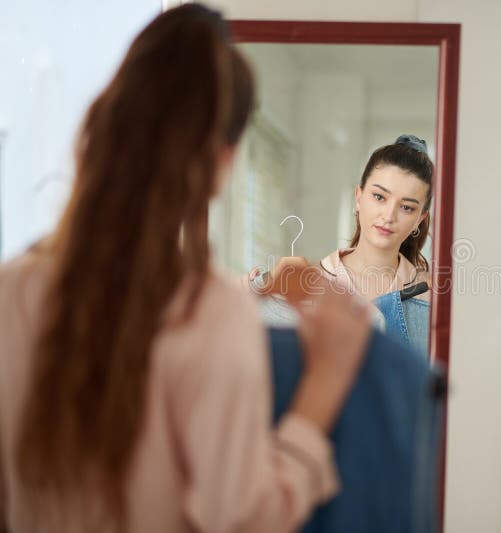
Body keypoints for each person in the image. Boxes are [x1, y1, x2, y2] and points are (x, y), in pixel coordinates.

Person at [0, 5, 370, 532]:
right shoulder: (208, 312)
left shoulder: (12, 290)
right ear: (223, 161)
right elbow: (245, 520)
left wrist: (263, 285)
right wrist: (325, 384)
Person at [320, 135, 434, 303]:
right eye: (379, 197)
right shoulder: (311, 282)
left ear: (420, 219)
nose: (389, 216)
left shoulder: (431, 295)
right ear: (359, 197)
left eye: (407, 207)